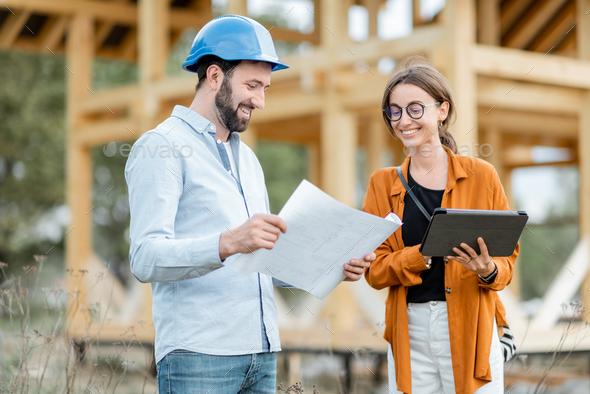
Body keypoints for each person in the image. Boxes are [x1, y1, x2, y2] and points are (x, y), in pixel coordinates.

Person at [125, 15, 374, 394]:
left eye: (265, 88)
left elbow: (257, 264)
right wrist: (228, 242)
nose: (260, 100)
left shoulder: (249, 161)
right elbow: (144, 258)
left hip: (262, 352)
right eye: (252, 85)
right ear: (213, 76)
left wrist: (333, 264)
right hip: (199, 356)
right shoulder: (161, 146)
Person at [362, 57, 518, 394]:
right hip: (410, 332)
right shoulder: (381, 184)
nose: (404, 120)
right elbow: (374, 271)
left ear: (442, 111)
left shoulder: (482, 176)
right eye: (395, 111)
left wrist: (488, 269)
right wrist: (421, 255)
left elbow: (508, 262)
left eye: (415, 109)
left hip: (473, 326)